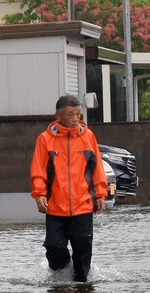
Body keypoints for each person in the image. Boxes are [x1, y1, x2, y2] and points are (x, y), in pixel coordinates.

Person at [30, 95, 108, 282]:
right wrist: (39, 194)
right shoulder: (45, 139)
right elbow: (38, 170)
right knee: (54, 246)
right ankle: (62, 276)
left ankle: (82, 282)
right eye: (71, 114)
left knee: (83, 249)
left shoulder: (88, 137)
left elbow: (97, 168)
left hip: (83, 205)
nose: (75, 118)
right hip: (55, 206)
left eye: (78, 114)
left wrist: (101, 194)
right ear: (58, 116)